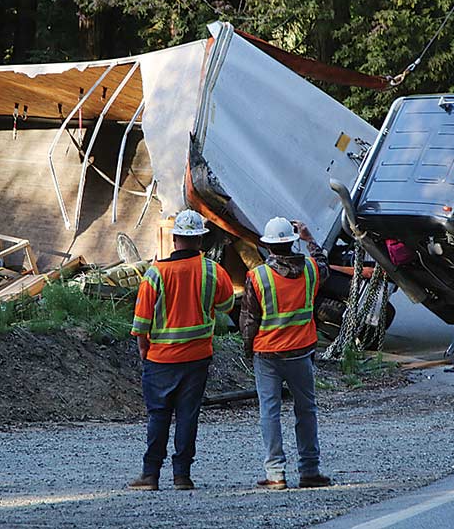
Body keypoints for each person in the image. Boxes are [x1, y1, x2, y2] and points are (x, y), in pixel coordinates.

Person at [128, 209, 234, 491]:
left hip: (160, 359)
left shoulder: (156, 274)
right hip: (197, 357)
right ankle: (182, 476)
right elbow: (226, 307)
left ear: (175, 239)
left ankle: (150, 475)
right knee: (188, 416)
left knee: (158, 415)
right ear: (200, 240)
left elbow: (141, 323)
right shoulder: (212, 270)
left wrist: (144, 350)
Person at [240, 216, 332, 490]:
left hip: (267, 355)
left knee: (269, 412)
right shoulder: (311, 271)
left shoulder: (258, 277)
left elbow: (248, 320)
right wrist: (310, 239)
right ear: (292, 243)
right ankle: (310, 470)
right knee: (306, 410)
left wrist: (249, 350)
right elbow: (324, 263)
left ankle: (276, 474)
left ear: (268, 246)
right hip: (301, 353)